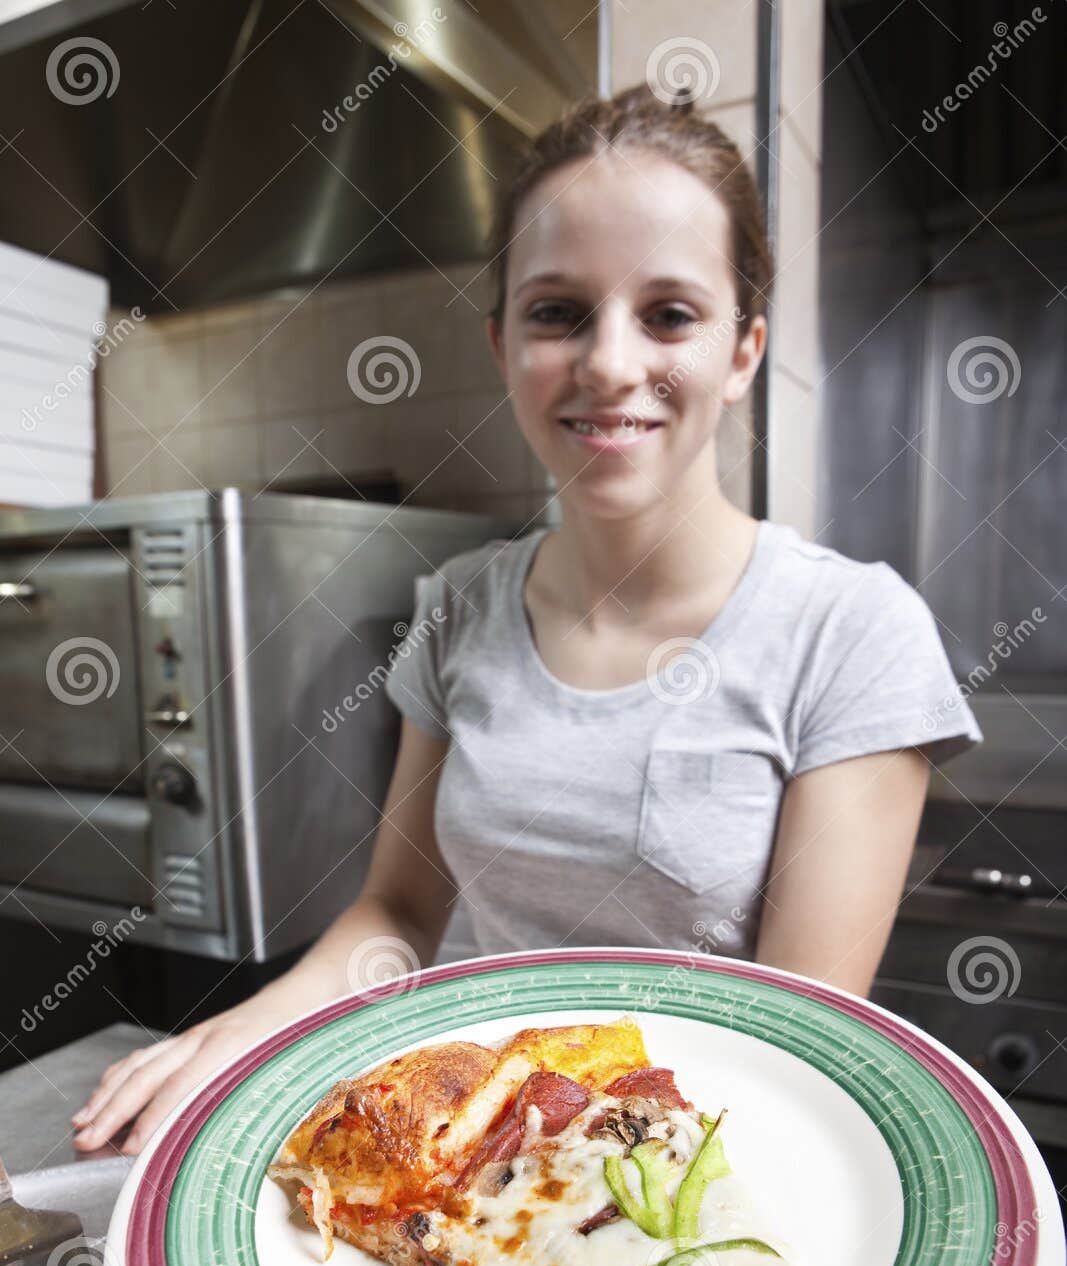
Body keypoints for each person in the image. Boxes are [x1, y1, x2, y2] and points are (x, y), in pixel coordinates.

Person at [74, 85, 980, 1156]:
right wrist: (251, 1029)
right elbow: (401, 912)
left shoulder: (851, 632)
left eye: (669, 314)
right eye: (557, 312)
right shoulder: (459, 605)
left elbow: (792, 1044)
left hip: (681, 1166)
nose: (607, 363)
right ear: (503, 343)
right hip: (445, 1130)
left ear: (740, 352)